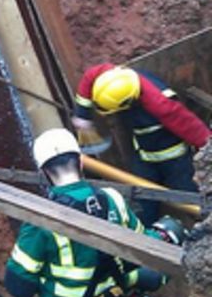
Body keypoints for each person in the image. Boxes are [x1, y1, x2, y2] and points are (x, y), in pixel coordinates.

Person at [4, 128, 176, 297]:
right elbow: (143, 252)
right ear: (80, 162)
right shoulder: (113, 200)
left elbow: (19, 288)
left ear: (44, 173)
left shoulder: (39, 221)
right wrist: (164, 235)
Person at [72, 64, 211, 224]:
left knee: (191, 201)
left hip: (176, 161)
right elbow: (90, 76)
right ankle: (144, 230)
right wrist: (82, 115)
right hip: (144, 155)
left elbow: (195, 131)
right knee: (142, 201)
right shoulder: (115, 78)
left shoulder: (162, 106)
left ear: (128, 102)